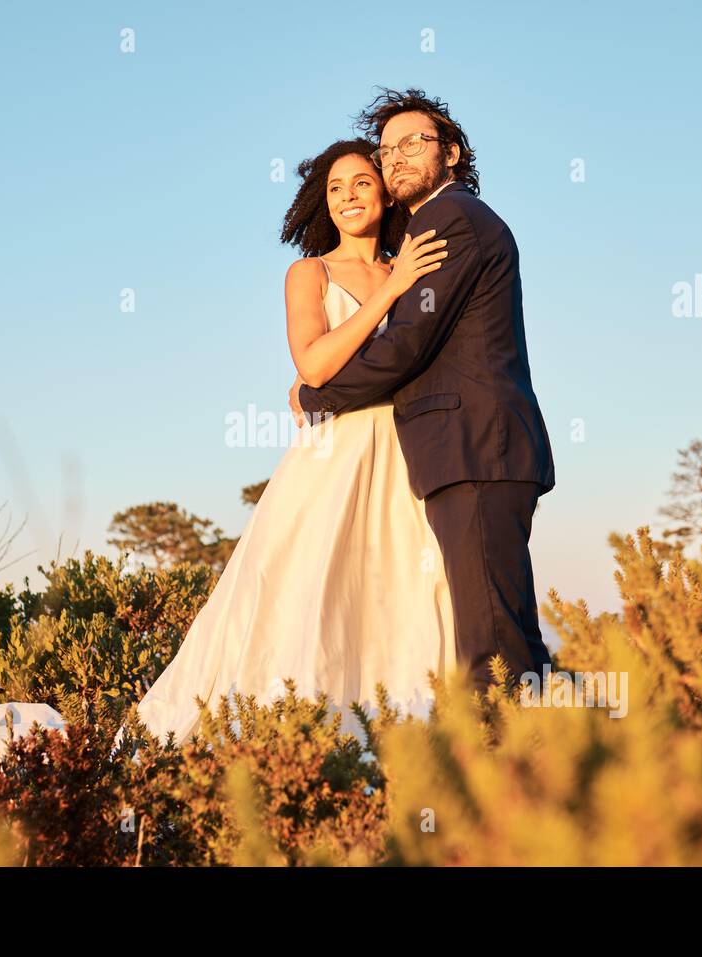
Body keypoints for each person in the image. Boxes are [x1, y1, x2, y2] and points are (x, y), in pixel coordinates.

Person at [124, 137, 457, 750]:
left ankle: (401, 744)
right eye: (334, 188)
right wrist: (389, 290)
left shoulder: (413, 263)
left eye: (361, 182)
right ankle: (298, 746)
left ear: (385, 191)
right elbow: (314, 364)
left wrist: (403, 277)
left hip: (408, 449)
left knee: (400, 592)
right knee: (313, 595)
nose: (348, 197)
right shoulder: (311, 273)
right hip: (334, 457)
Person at [292, 88, 556, 691]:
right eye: (388, 150)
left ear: (453, 153)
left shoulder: (450, 218)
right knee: (494, 633)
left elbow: (407, 344)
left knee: (494, 646)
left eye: (416, 142)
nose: (399, 157)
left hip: (475, 449)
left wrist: (314, 399)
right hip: (459, 453)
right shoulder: (434, 227)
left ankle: (519, 767)